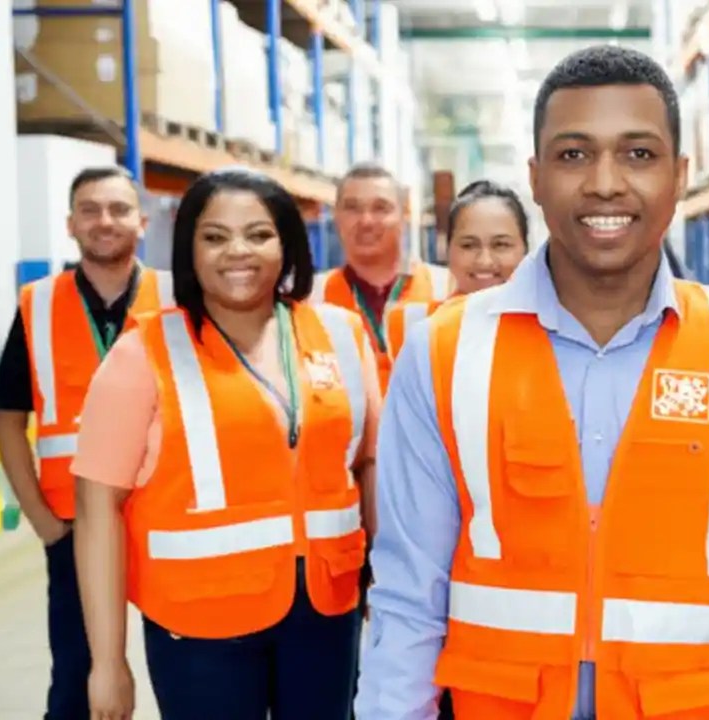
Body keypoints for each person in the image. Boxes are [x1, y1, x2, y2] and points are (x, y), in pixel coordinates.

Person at [356, 44, 709, 719]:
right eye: (573, 155)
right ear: (534, 177)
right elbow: (407, 595)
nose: (604, 183)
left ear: (680, 175)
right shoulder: (444, 353)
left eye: (638, 154)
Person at [70, 168, 381, 720]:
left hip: (326, 614)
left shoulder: (340, 335)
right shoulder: (143, 353)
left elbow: (368, 466)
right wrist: (107, 661)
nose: (238, 251)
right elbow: (97, 509)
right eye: (214, 237)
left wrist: (389, 596)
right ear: (188, 248)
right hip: (199, 626)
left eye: (258, 234)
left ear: (286, 243)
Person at [0, 165, 172, 720]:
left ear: (141, 221)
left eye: (118, 209)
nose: (104, 220)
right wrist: (41, 520)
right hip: (74, 524)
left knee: (185, 671)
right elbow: (8, 419)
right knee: (77, 676)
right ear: (70, 224)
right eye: (90, 209)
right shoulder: (37, 305)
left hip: (167, 520)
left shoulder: (176, 297)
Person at [312, 162, 454, 390]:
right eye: (352, 208)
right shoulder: (311, 298)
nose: (366, 221)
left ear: (404, 213)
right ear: (336, 215)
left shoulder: (446, 289)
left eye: (380, 208)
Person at [385, 179, 530, 363]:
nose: (484, 261)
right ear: (448, 251)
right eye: (469, 245)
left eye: (500, 245)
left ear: (525, 252)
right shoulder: (410, 324)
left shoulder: (550, 326)